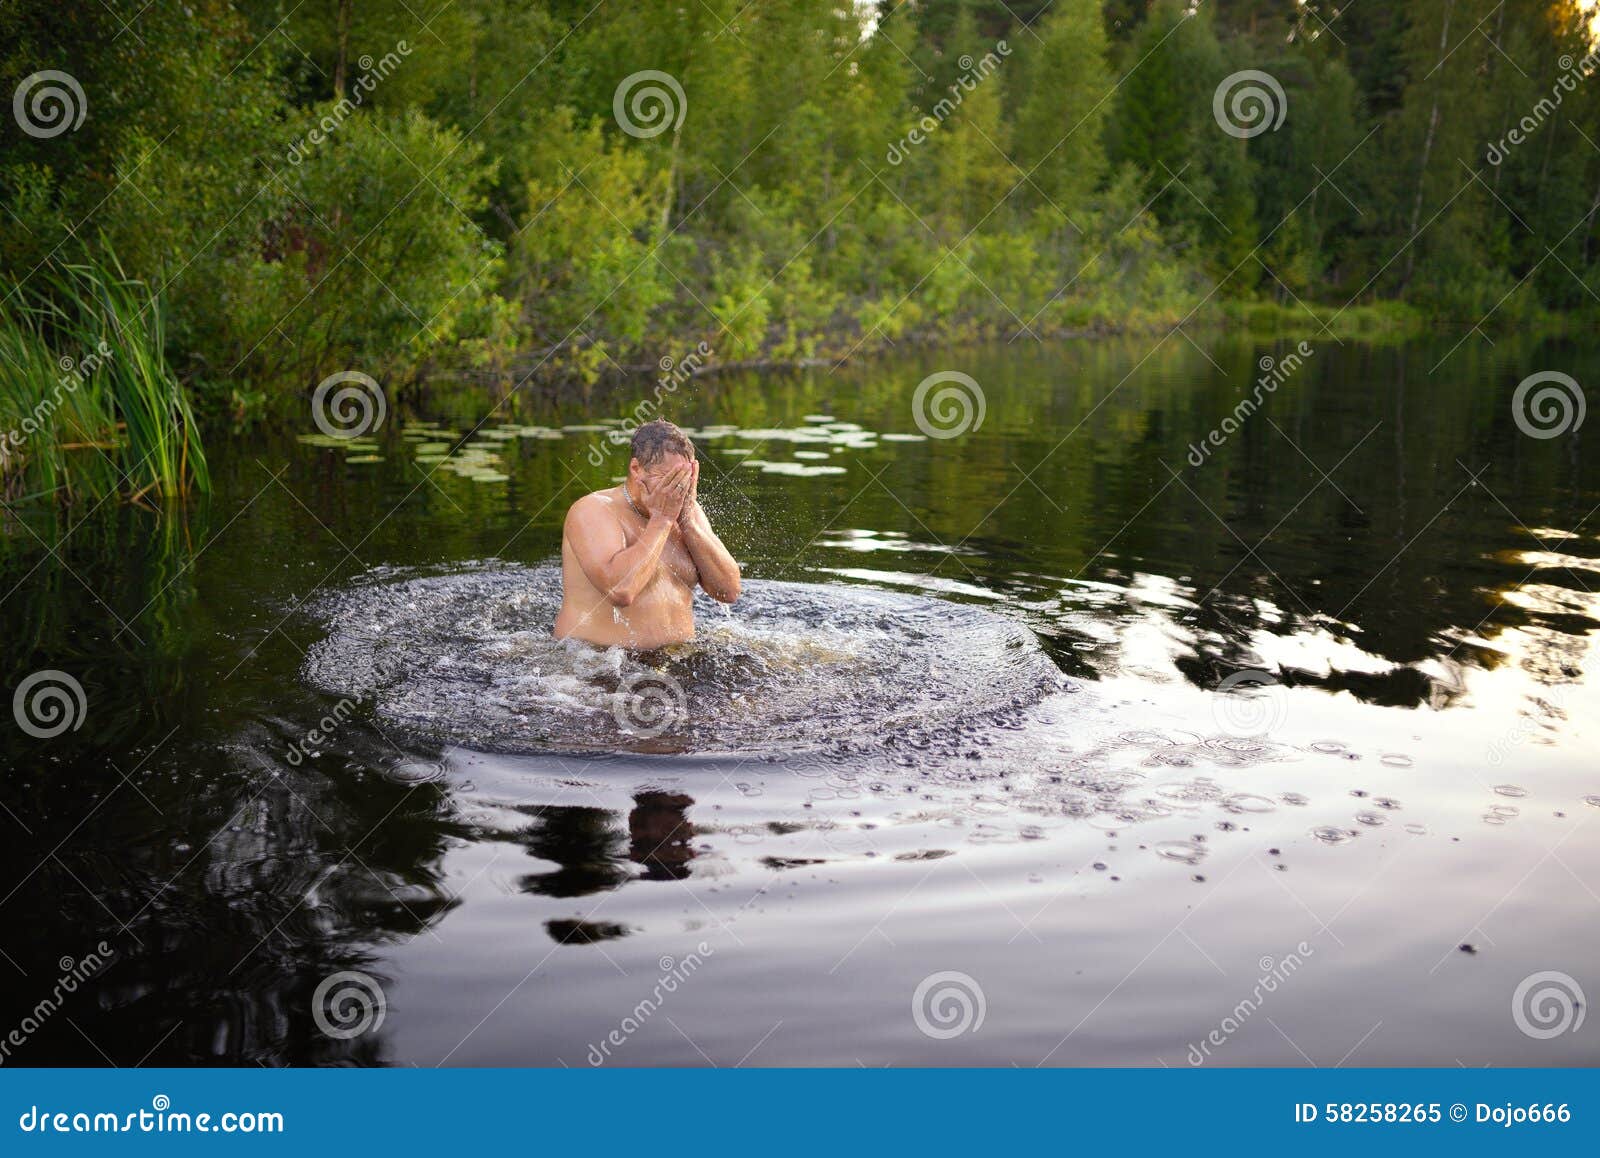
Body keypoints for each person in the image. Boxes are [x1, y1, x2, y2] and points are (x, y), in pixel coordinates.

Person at [554, 420, 741, 648]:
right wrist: (661, 520)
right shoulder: (593, 510)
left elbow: (729, 591)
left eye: (683, 480)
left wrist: (688, 521)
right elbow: (620, 590)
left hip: (679, 658)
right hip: (597, 662)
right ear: (636, 469)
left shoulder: (688, 512)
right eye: (668, 479)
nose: (676, 491)